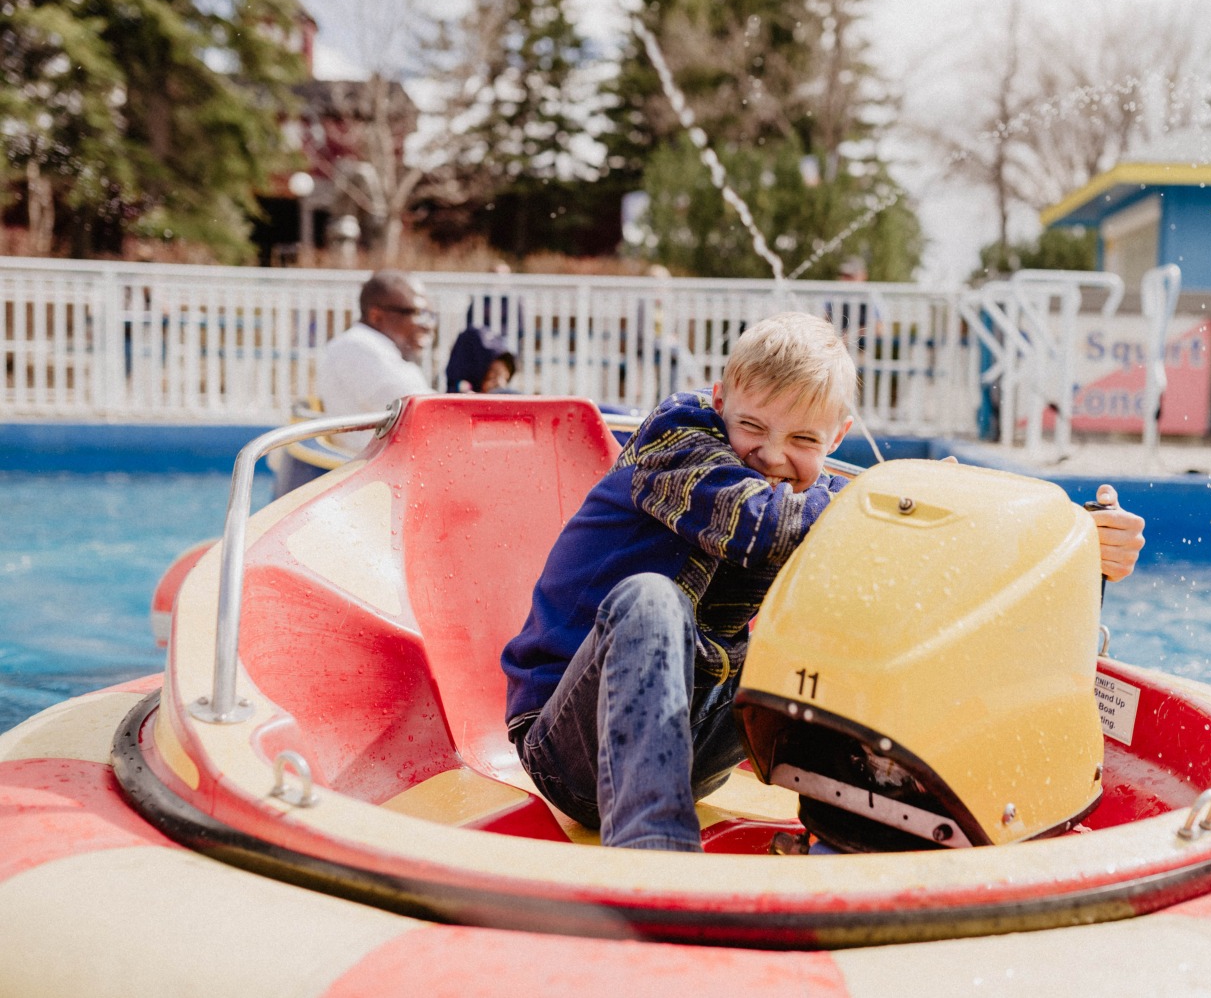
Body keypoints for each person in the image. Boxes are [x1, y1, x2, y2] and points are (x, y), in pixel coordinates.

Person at [499, 311, 1147, 852]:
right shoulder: (679, 439)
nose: (774, 454)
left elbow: (915, 571)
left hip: (691, 740)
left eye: (803, 437)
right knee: (651, 598)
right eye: (752, 426)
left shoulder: (820, 494)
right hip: (572, 743)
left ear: (838, 434)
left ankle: (875, 828)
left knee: (864, 635)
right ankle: (655, 852)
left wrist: (1073, 542)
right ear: (723, 401)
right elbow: (761, 523)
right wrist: (912, 507)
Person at [317, 270, 437, 452]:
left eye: (429, 314)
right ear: (376, 316)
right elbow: (425, 414)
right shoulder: (357, 348)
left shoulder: (379, 348)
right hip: (374, 471)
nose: (428, 324)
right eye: (418, 312)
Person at [445, 326, 518, 393]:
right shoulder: (464, 389)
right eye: (492, 376)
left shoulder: (511, 396)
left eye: (505, 377)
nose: (500, 384)